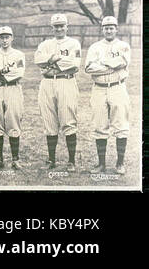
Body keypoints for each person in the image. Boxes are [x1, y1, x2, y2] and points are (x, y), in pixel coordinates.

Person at [33, 14, 82, 170]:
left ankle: (71, 161)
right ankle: (51, 160)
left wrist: (51, 61)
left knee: (68, 120)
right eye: (56, 26)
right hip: (47, 83)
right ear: (52, 28)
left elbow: (75, 64)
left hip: (66, 81)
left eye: (62, 25)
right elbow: (37, 60)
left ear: (67, 27)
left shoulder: (74, 43)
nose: (59, 28)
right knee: (49, 121)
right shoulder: (45, 44)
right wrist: (57, 58)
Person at [84, 16, 131, 175]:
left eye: (112, 27)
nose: (109, 30)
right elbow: (89, 68)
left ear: (117, 29)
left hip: (118, 87)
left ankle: (120, 163)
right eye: (106, 27)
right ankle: (101, 164)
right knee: (99, 125)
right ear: (102, 29)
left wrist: (102, 63)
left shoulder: (124, 46)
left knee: (121, 125)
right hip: (99, 88)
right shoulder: (95, 47)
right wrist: (111, 65)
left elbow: (123, 63)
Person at [0, 26, 24, 170]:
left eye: (7, 37)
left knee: (13, 120)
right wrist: (1, 72)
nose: (5, 40)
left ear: (12, 38)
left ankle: (15, 159)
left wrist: (0, 74)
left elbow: (19, 73)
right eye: (2, 37)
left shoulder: (19, 54)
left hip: (13, 88)